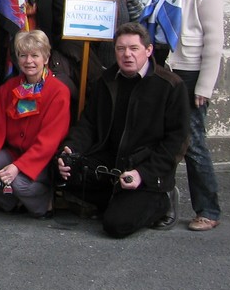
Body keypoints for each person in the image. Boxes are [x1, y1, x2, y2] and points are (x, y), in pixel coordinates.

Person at [58, 24, 188, 237]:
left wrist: (143, 174)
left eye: (134, 48)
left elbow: (177, 142)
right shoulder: (106, 80)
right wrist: (70, 149)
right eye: (120, 49)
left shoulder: (170, 86)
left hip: (145, 168)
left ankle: (163, 201)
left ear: (148, 50)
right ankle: (116, 199)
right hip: (112, 162)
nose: (127, 54)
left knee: (116, 225)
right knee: (60, 170)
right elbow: (88, 124)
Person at [141, 0, 225, 232]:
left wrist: (205, 84)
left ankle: (208, 208)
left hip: (188, 71)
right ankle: (159, 203)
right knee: (158, 139)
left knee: (192, 143)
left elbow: (214, 41)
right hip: (163, 65)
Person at [0, 30, 71, 217]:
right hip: (14, 152)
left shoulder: (59, 92)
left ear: (46, 58)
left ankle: (44, 205)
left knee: (15, 181)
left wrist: (18, 167)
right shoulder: (9, 88)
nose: (29, 61)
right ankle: (13, 203)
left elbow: (49, 142)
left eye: (35, 55)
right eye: (23, 55)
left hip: (44, 159)